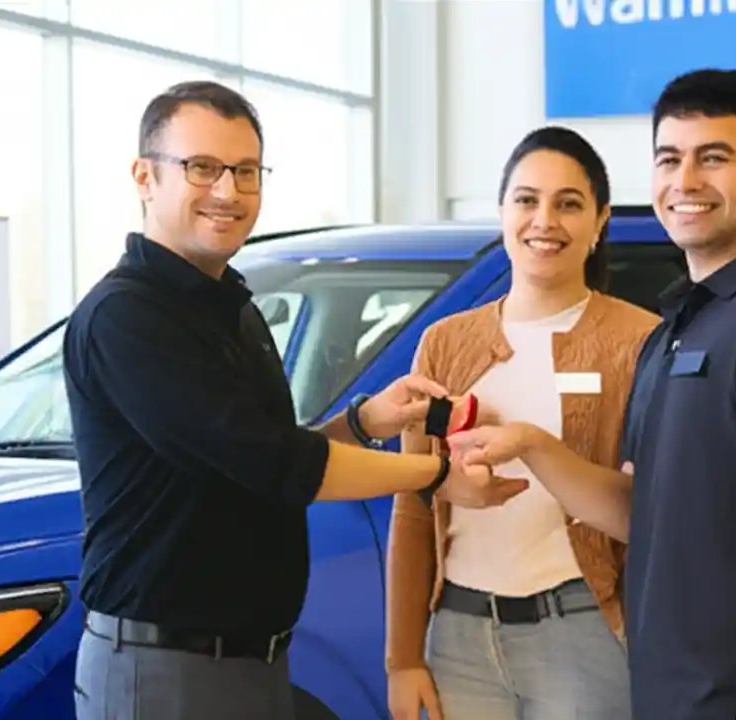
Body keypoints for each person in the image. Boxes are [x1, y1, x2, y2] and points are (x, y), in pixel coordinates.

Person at [62, 80, 528, 720]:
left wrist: (364, 422)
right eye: (202, 168)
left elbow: (258, 459)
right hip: (167, 671)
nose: (227, 191)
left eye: (246, 171)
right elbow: (273, 463)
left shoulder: (234, 309)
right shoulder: (129, 317)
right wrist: (438, 474)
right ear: (145, 176)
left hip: (252, 663)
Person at [450, 69, 736, 719]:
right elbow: (636, 509)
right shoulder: (676, 327)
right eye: (669, 159)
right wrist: (533, 446)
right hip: (670, 694)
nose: (686, 181)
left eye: (714, 158)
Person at [384, 126, 660, 720]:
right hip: (458, 638)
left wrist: (537, 448)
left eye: (569, 204)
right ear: (503, 210)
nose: (545, 220)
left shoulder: (639, 342)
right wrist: (402, 658)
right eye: (527, 200)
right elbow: (412, 504)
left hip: (584, 633)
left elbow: (653, 512)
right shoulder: (445, 343)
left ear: (599, 220)